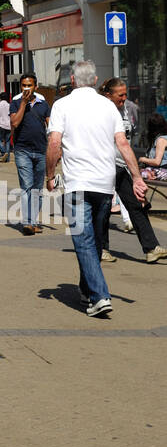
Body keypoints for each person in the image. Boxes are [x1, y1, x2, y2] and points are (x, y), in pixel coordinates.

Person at [45, 60, 146, 318]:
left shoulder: (62, 105)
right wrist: (136, 177)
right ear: (95, 79)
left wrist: (49, 175)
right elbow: (123, 143)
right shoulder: (108, 106)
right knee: (93, 241)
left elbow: (55, 143)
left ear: (73, 79)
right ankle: (86, 288)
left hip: (77, 183)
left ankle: (100, 296)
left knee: (85, 240)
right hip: (104, 185)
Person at [99, 81, 167, 264]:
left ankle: (151, 248)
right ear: (109, 95)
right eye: (120, 95)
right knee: (104, 207)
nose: (124, 98)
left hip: (123, 166)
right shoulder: (102, 111)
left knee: (136, 204)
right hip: (106, 165)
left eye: (125, 94)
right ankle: (102, 248)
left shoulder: (125, 110)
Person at [9, 72, 50, 235]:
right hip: (22, 150)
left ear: (35, 87)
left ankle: (33, 221)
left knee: (37, 189)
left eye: (29, 85)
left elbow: (51, 126)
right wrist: (23, 104)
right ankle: (27, 223)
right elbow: (15, 122)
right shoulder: (16, 103)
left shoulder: (44, 105)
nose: (26, 88)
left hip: (41, 150)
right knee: (26, 186)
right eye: (24, 85)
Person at [139, 113, 167, 181]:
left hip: (163, 170)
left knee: (135, 174)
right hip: (155, 170)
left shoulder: (161, 140)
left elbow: (157, 162)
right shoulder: (157, 138)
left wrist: (142, 159)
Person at [0, 95, 12, 161]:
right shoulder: (9, 105)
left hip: (1, 125)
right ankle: (7, 158)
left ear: (0, 98)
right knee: (7, 141)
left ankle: (4, 152)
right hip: (9, 125)